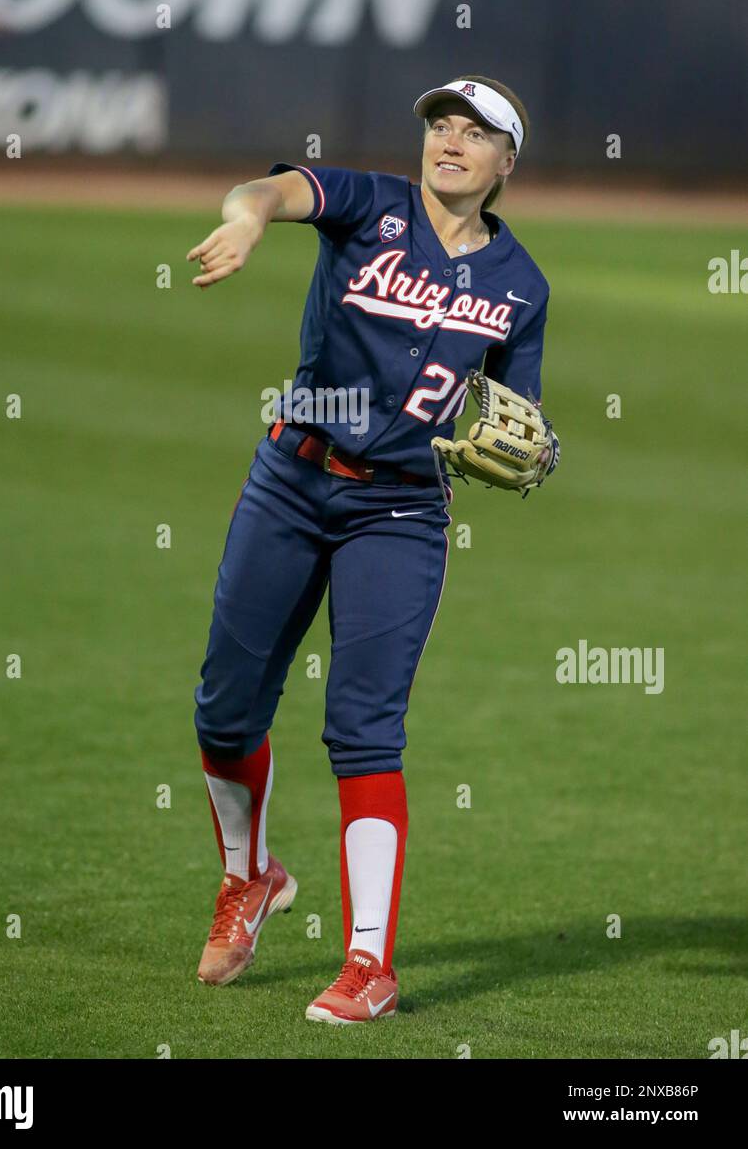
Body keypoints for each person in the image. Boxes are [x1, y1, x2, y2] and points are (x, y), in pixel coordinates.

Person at [186, 75, 559, 1024]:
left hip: (398, 514)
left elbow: (519, 416)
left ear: (505, 164)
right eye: (441, 124)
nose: (450, 141)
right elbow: (275, 190)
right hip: (291, 479)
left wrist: (539, 449)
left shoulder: (522, 286)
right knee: (225, 712)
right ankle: (251, 877)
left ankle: (369, 965)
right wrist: (249, 220)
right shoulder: (372, 205)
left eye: (476, 134)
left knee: (364, 730)